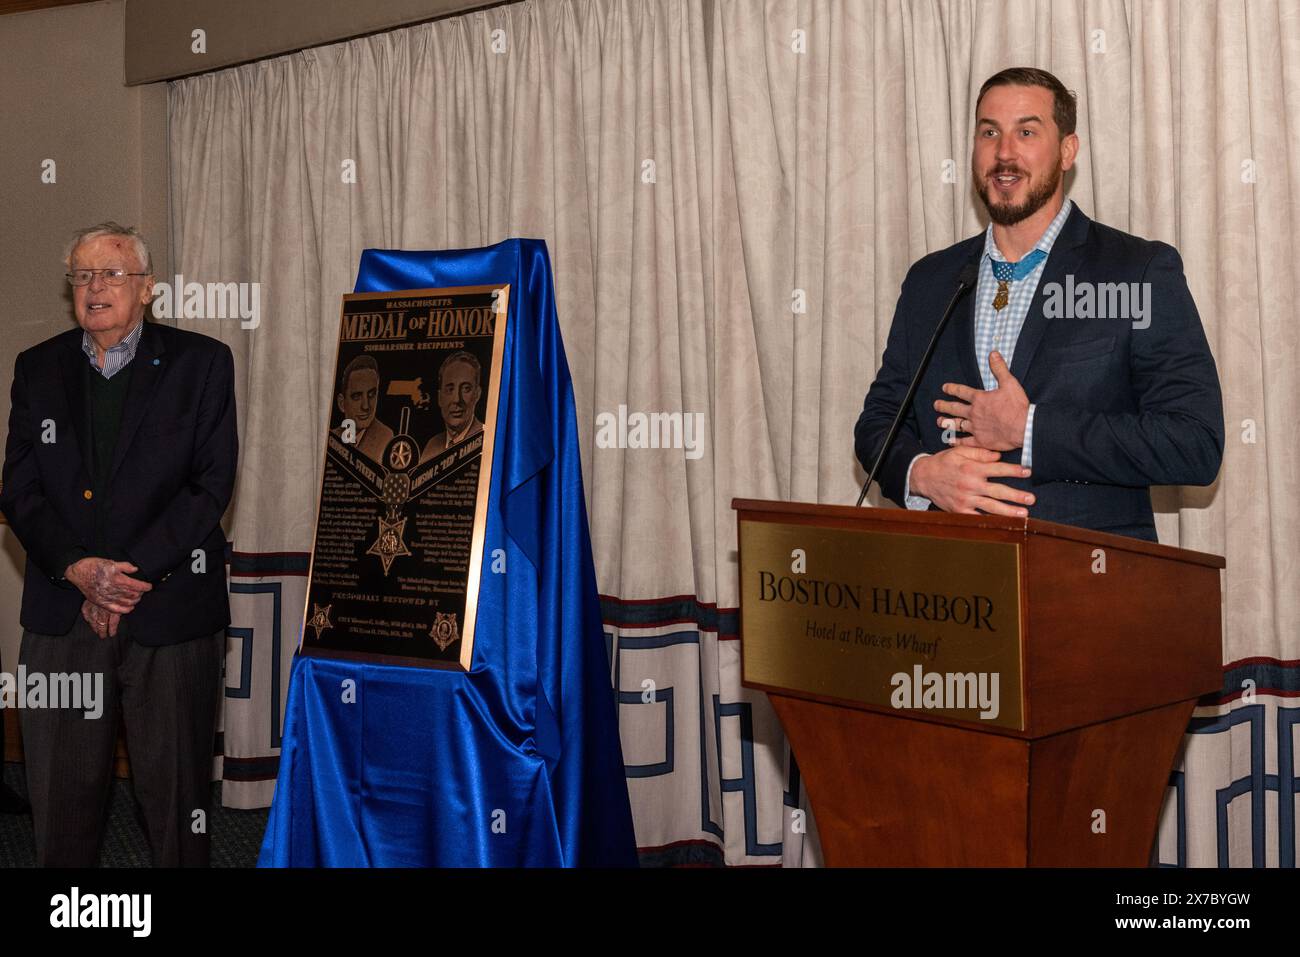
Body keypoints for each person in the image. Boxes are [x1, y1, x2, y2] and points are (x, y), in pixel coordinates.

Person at [854, 68, 1223, 541]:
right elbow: (879, 421)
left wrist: (1029, 428)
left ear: (1067, 150)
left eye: (1026, 132)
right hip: (947, 582)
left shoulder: (1138, 271)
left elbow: (1194, 444)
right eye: (990, 132)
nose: (1004, 153)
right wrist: (921, 474)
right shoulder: (931, 280)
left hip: (1087, 583)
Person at [0, 222, 237, 865]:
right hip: (61, 614)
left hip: (170, 615)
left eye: (110, 274)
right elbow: (19, 491)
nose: (94, 287)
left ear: (148, 289)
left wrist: (122, 579)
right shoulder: (38, 367)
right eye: (82, 275)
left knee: (175, 800)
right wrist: (79, 571)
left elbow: (209, 487)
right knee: (60, 802)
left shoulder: (203, 364)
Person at [419, 351, 484, 463]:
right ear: (440, 398)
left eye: (466, 389)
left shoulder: (489, 440)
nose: (457, 399)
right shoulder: (432, 446)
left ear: (477, 394)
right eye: (450, 389)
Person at [332, 354, 394, 462]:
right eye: (357, 397)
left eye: (371, 395)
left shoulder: (386, 438)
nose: (365, 406)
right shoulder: (332, 438)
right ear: (342, 403)